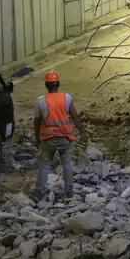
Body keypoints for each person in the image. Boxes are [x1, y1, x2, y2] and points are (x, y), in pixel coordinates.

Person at [34, 70, 85, 199]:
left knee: (45, 164)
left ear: (46, 85)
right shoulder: (67, 98)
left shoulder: (40, 101)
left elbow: (37, 122)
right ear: (58, 84)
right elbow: (75, 116)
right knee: (67, 164)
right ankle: (69, 191)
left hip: (49, 139)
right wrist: (82, 131)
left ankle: (39, 191)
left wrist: (37, 137)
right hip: (66, 138)